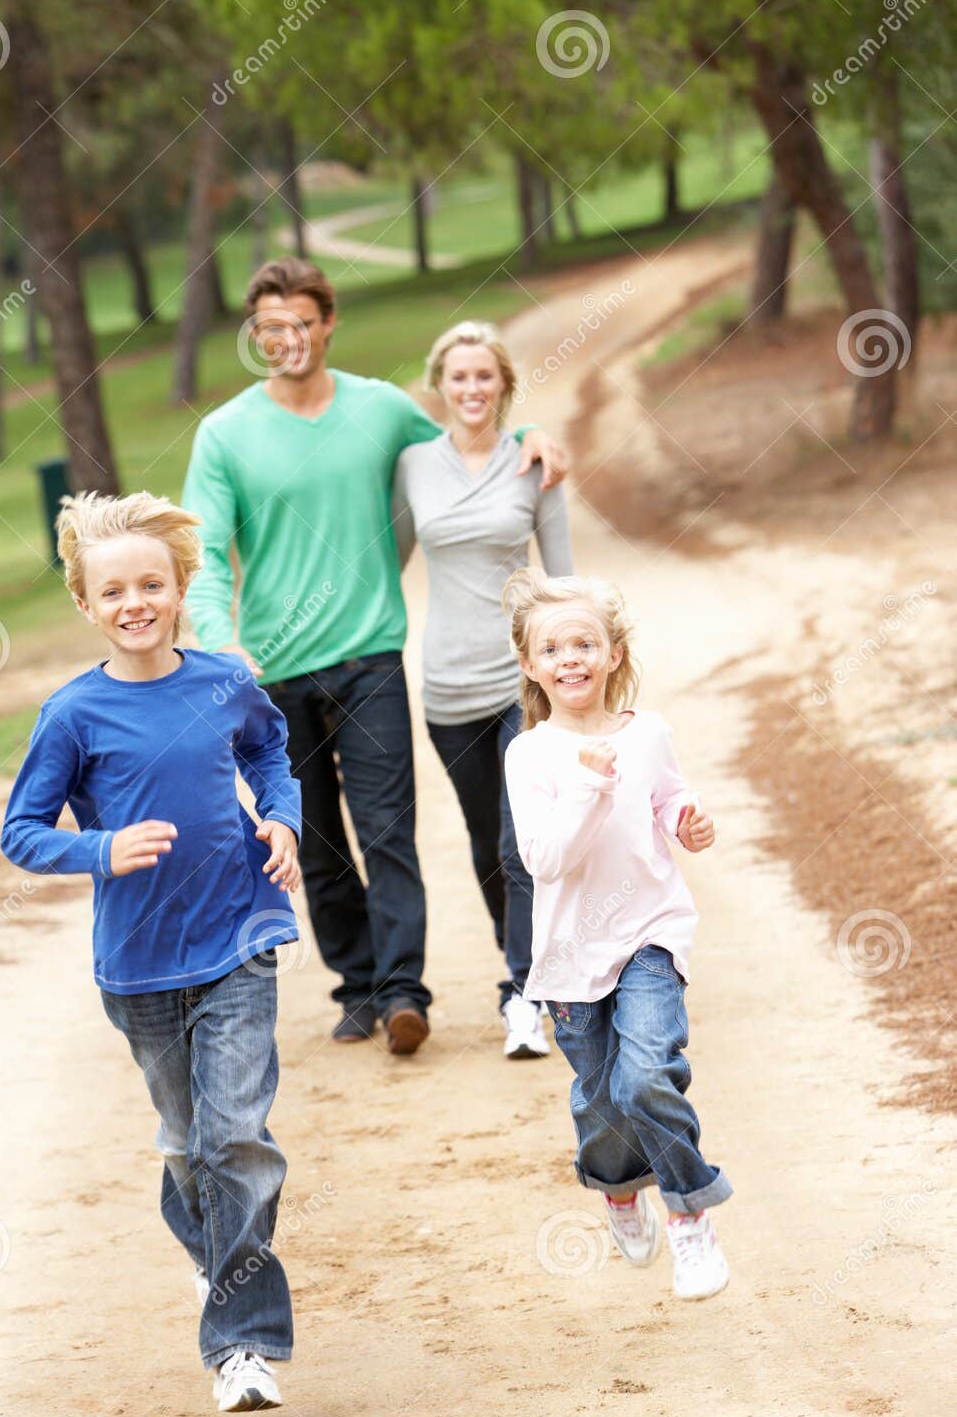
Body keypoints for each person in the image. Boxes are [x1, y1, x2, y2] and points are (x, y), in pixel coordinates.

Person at [181, 256, 566, 1055]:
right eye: (268, 327)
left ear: (327, 325)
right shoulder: (224, 434)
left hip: (372, 659)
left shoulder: (382, 410)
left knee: (387, 832)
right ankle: (357, 984)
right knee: (311, 838)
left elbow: (469, 449)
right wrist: (220, 639)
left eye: (300, 323)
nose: (285, 339)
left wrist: (530, 435)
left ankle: (402, 994)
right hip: (271, 672)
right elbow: (205, 552)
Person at [0, 490, 303, 1413]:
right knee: (185, 1149)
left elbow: (271, 749)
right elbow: (21, 832)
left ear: (180, 589)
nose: (136, 602)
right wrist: (100, 848)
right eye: (114, 591)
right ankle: (221, 1261)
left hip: (240, 941)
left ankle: (241, 1346)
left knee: (238, 1138)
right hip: (137, 966)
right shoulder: (72, 714)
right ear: (86, 606)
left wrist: (283, 819)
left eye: (152, 585)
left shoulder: (221, 682)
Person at [502, 567, 732, 1300]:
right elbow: (544, 858)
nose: (570, 658)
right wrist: (586, 787)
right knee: (601, 1102)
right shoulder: (530, 754)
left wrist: (685, 821)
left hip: (649, 930)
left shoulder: (648, 732)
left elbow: (665, 796)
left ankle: (689, 1215)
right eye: (553, 648)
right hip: (570, 952)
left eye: (584, 643)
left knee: (645, 1075)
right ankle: (619, 1188)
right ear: (531, 666)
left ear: (612, 655)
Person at [393, 322, 573, 1059]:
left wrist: (572, 674)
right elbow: (388, 554)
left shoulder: (533, 464)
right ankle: (527, 965)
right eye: (458, 378)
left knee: (518, 841)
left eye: (485, 377)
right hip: (445, 684)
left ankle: (523, 994)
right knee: (483, 843)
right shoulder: (411, 464)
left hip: (518, 684)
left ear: (503, 386)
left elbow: (561, 581)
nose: (471, 390)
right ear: (441, 386)